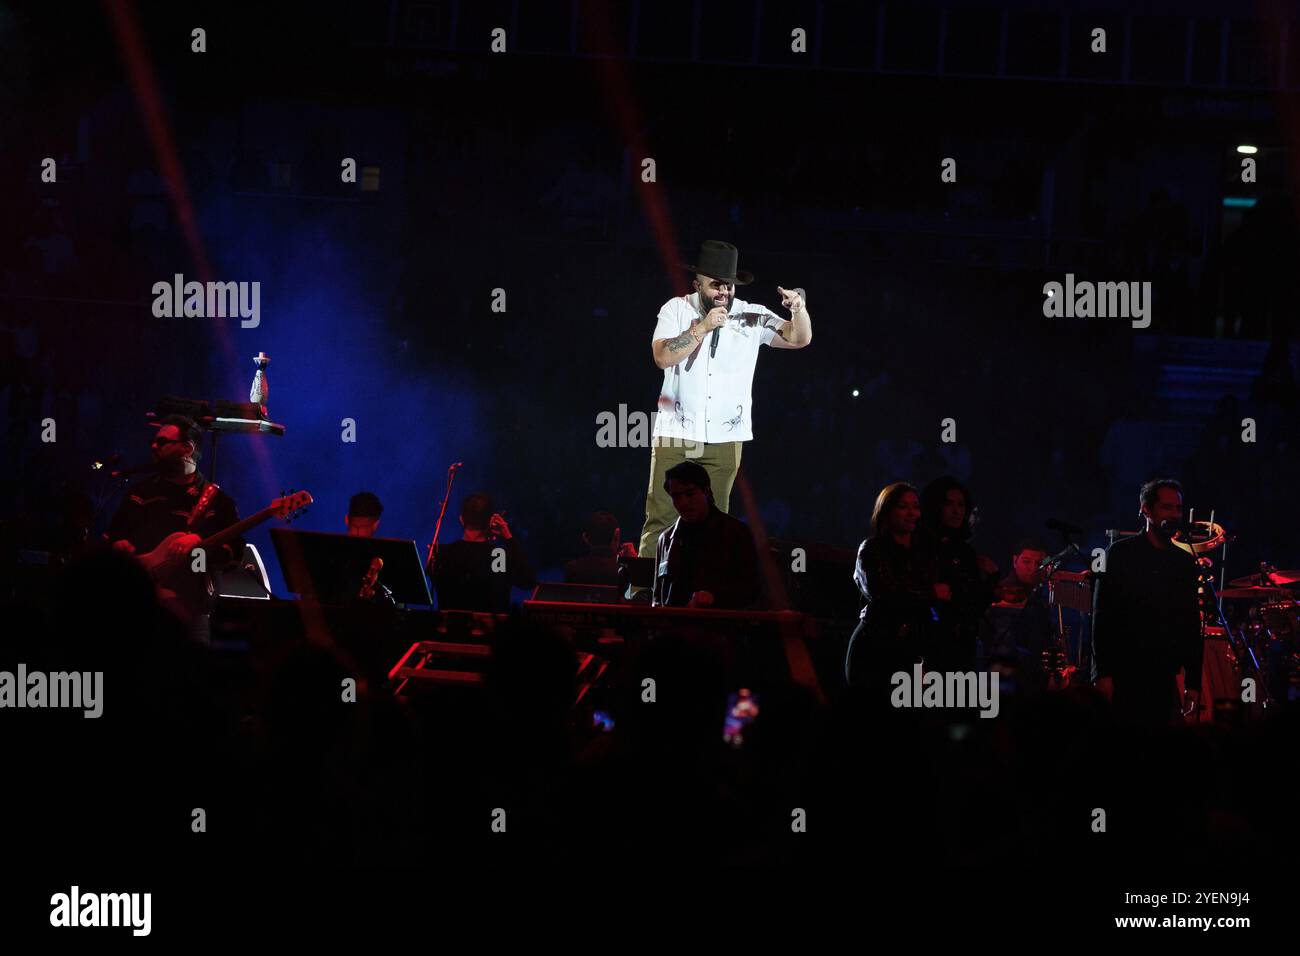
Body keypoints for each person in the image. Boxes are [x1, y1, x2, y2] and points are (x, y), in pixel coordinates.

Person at [638, 240, 813, 556]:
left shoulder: (751, 315)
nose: (723, 292)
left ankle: (706, 596)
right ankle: (643, 593)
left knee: (714, 522)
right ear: (697, 284)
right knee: (663, 517)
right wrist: (701, 329)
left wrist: (798, 310)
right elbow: (662, 357)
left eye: (728, 285)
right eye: (715, 285)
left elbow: (799, 338)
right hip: (676, 432)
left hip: (726, 438)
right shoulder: (676, 309)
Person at [105, 414, 243, 639]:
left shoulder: (219, 502)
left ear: (188, 448)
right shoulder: (140, 492)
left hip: (189, 612)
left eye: (162, 442)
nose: (153, 445)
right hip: (137, 606)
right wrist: (119, 545)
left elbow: (232, 555)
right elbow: (113, 535)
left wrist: (199, 547)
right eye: (154, 441)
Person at [1091, 478, 1203, 724]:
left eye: (1178, 508)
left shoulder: (1183, 562)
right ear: (1146, 509)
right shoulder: (1120, 554)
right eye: (1166, 507)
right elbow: (1102, 617)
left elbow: (1191, 624)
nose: (1174, 514)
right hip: (1123, 673)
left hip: (1163, 675)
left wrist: (1193, 682)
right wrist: (1102, 672)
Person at [844, 482, 944, 688]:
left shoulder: (923, 553)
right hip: (876, 645)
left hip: (912, 648)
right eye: (902, 506)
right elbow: (884, 594)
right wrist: (931, 593)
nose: (911, 513)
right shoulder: (872, 549)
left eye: (915, 506)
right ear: (887, 511)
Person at [651, 461, 761, 610]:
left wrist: (714, 598)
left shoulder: (737, 533)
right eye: (676, 496)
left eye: (689, 494)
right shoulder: (665, 539)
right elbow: (657, 599)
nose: (683, 502)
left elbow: (752, 590)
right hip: (674, 629)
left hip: (720, 628)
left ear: (706, 491)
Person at [918, 476, 995, 671]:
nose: (957, 511)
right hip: (927, 647)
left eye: (961, 504)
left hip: (962, 648)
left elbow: (975, 605)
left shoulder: (966, 551)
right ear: (935, 507)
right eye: (949, 504)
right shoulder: (920, 546)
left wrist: (992, 579)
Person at [428, 492, 536, 613]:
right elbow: (528, 581)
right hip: (489, 629)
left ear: (461, 519)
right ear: (491, 522)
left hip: (450, 628)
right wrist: (509, 538)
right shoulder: (497, 556)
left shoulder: (443, 553)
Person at [564, 511, 636, 586]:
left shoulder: (572, 569)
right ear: (617, 534)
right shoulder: (627, 571)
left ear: (585, 538)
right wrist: (635, 563)